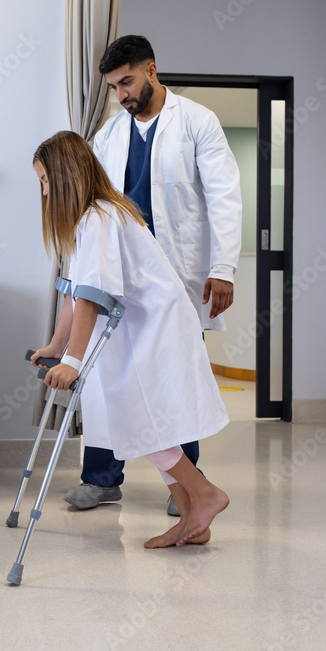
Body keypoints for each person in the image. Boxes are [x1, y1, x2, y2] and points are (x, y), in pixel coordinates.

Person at [64, 35, 242, 515]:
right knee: (106, 372)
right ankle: (102, 478)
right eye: (114, 88)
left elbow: (225, 197)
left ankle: (185, 486)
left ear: (152, 70)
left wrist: (223, 268)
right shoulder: (108, 134)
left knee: (176, 376)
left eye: (128, 82)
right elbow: (93, 203)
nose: (122, 95)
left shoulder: (196, 122)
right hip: (123, 275)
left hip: (177, 278)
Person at [30, 131, 230, 548]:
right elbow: (74, 289)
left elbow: (91, 296)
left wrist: (74, 361)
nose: (44, 190)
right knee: (144, 423)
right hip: (140, 327)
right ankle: (194, 516)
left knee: (144, 422)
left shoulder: (99, 218)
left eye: (46, 179)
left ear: (66, 176)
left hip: (156, 327)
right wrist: (56, 346)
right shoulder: (92, 218)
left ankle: (206, 495)